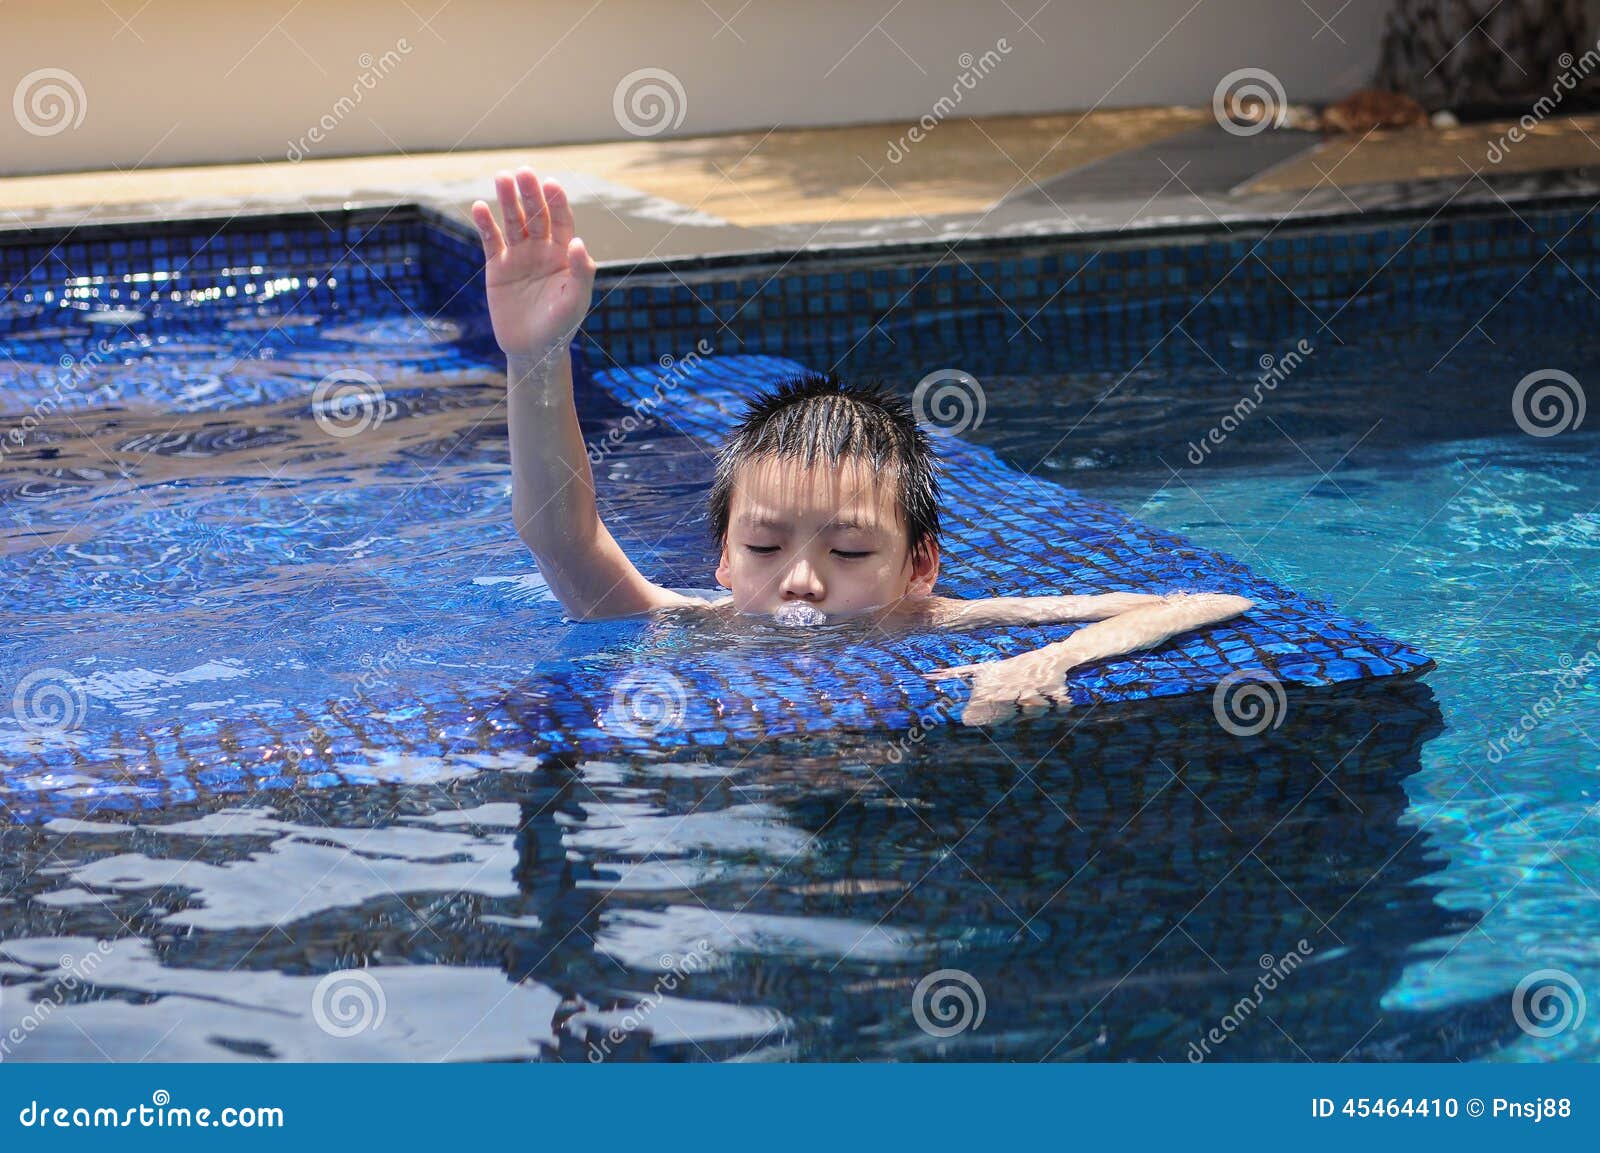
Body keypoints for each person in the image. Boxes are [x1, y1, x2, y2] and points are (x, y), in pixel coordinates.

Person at [471, 168, 1253, 724]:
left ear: (919, 566)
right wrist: (536, 360)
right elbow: (559, 534)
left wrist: (1042, 660)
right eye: (765, 544)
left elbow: (1206, 603)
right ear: (721, 560)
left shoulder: (938, 621)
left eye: (848, 552)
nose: (802, 581)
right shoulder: (697, 623)